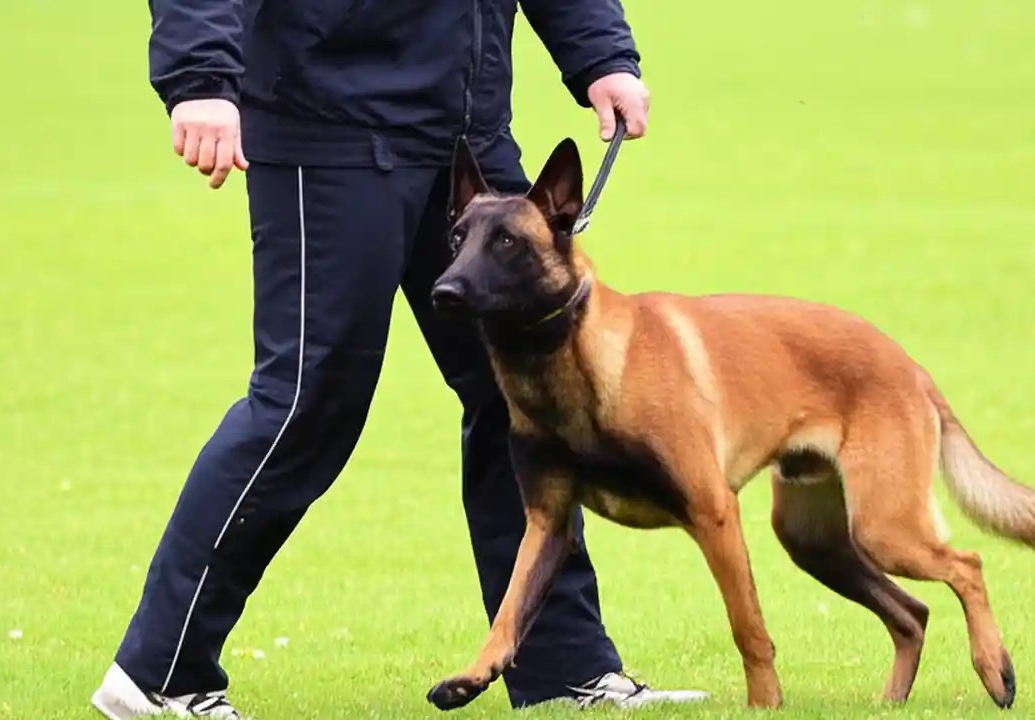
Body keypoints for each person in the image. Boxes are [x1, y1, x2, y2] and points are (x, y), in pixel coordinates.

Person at [89, 1, 709, 717]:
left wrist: (601, 53)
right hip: (329, 129)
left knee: (523, 402)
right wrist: (200, 77)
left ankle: (562, 671)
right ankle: (159, 671)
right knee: (306, 401)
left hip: (463, 135)